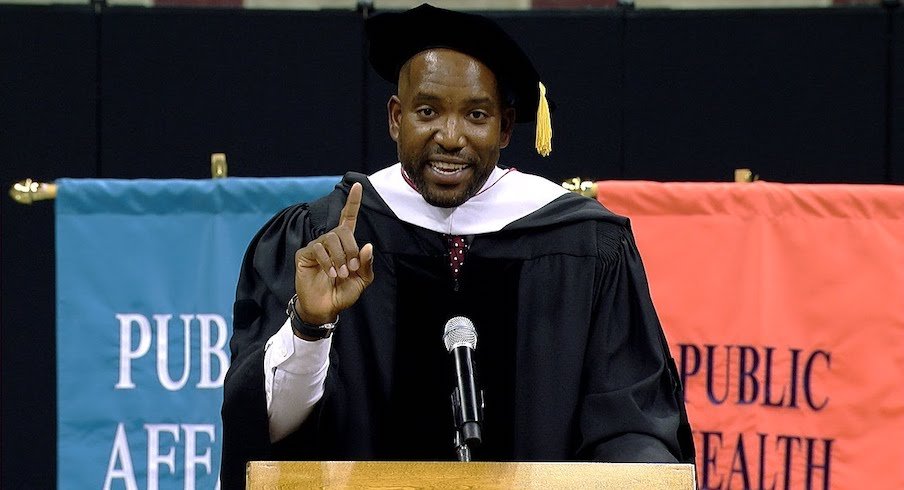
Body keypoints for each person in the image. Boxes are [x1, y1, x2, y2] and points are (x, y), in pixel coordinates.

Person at [221, 4, 693, 488]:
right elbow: (267, 432)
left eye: (476, 115)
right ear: (396, 118)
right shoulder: (325, 242)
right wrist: (309, 327)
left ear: (505, 128)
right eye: (427, 112)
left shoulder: (584, 245)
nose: (450, 137)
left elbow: (631, 423)